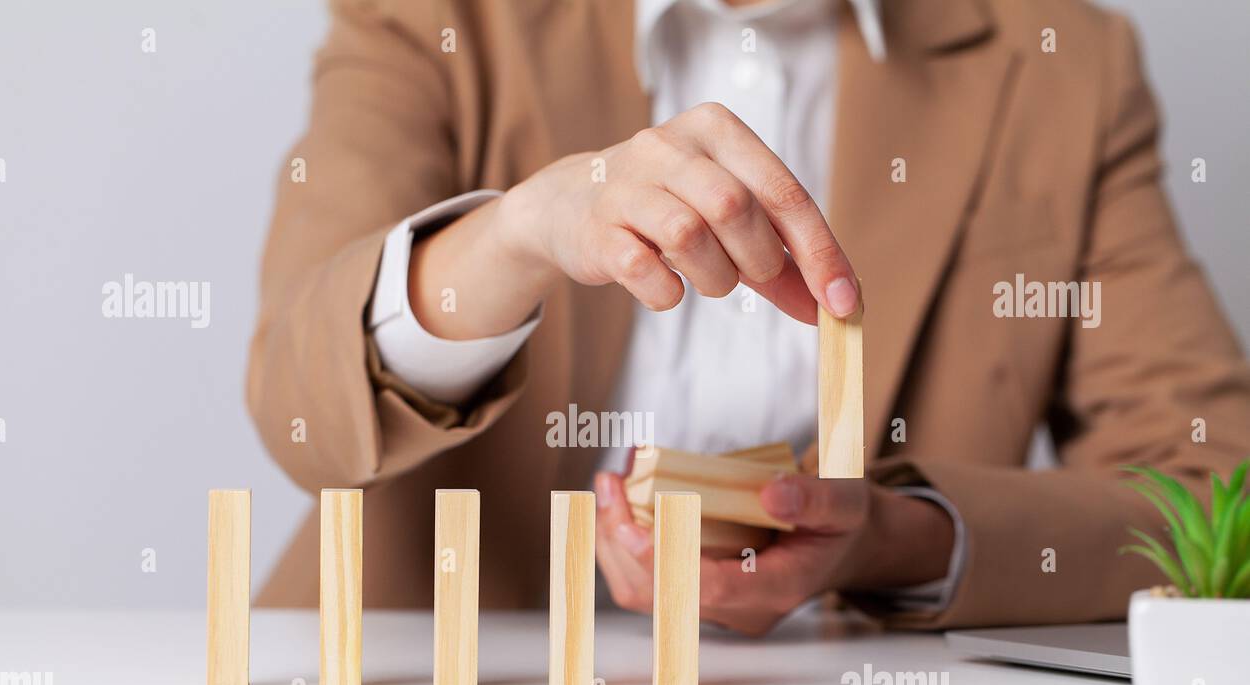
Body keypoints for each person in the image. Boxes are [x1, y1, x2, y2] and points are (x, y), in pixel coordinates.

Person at [246, 0, 1250, 633]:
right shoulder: (438, 16)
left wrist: (892, 540)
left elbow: (1216, 488)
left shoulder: (1062, 63)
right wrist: (511, 235)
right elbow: (296, 402)